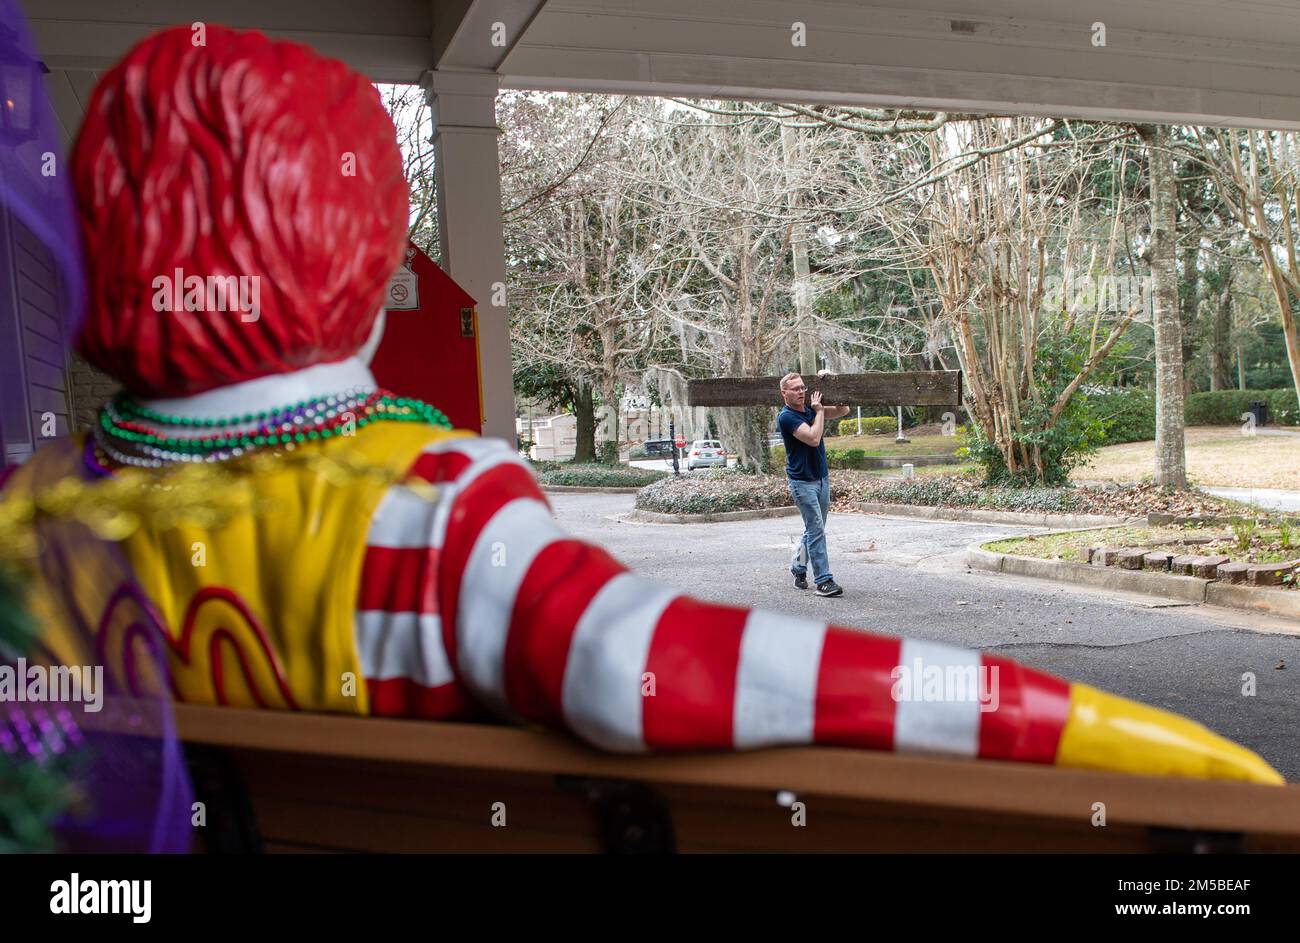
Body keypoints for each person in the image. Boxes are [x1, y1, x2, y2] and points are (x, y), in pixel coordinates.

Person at [0, 24, 1282, 785]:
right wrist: (1127, 735)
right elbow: (632, 660)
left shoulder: (26, 532)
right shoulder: (437, 516)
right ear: (358, 245)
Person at [778, 371, 850, 596]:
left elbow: (844, 410)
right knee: (816, 530)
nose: (801, 392)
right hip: (802, 483)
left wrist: (832, 379)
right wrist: (818, 411)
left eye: (802, 388)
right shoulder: (787, 417)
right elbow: (813, 438)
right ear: (784, 393)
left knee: (813, 530)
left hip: (822, 479)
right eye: (795, 389)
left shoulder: (810, 409)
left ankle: (798, 566)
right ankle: (823, 581)